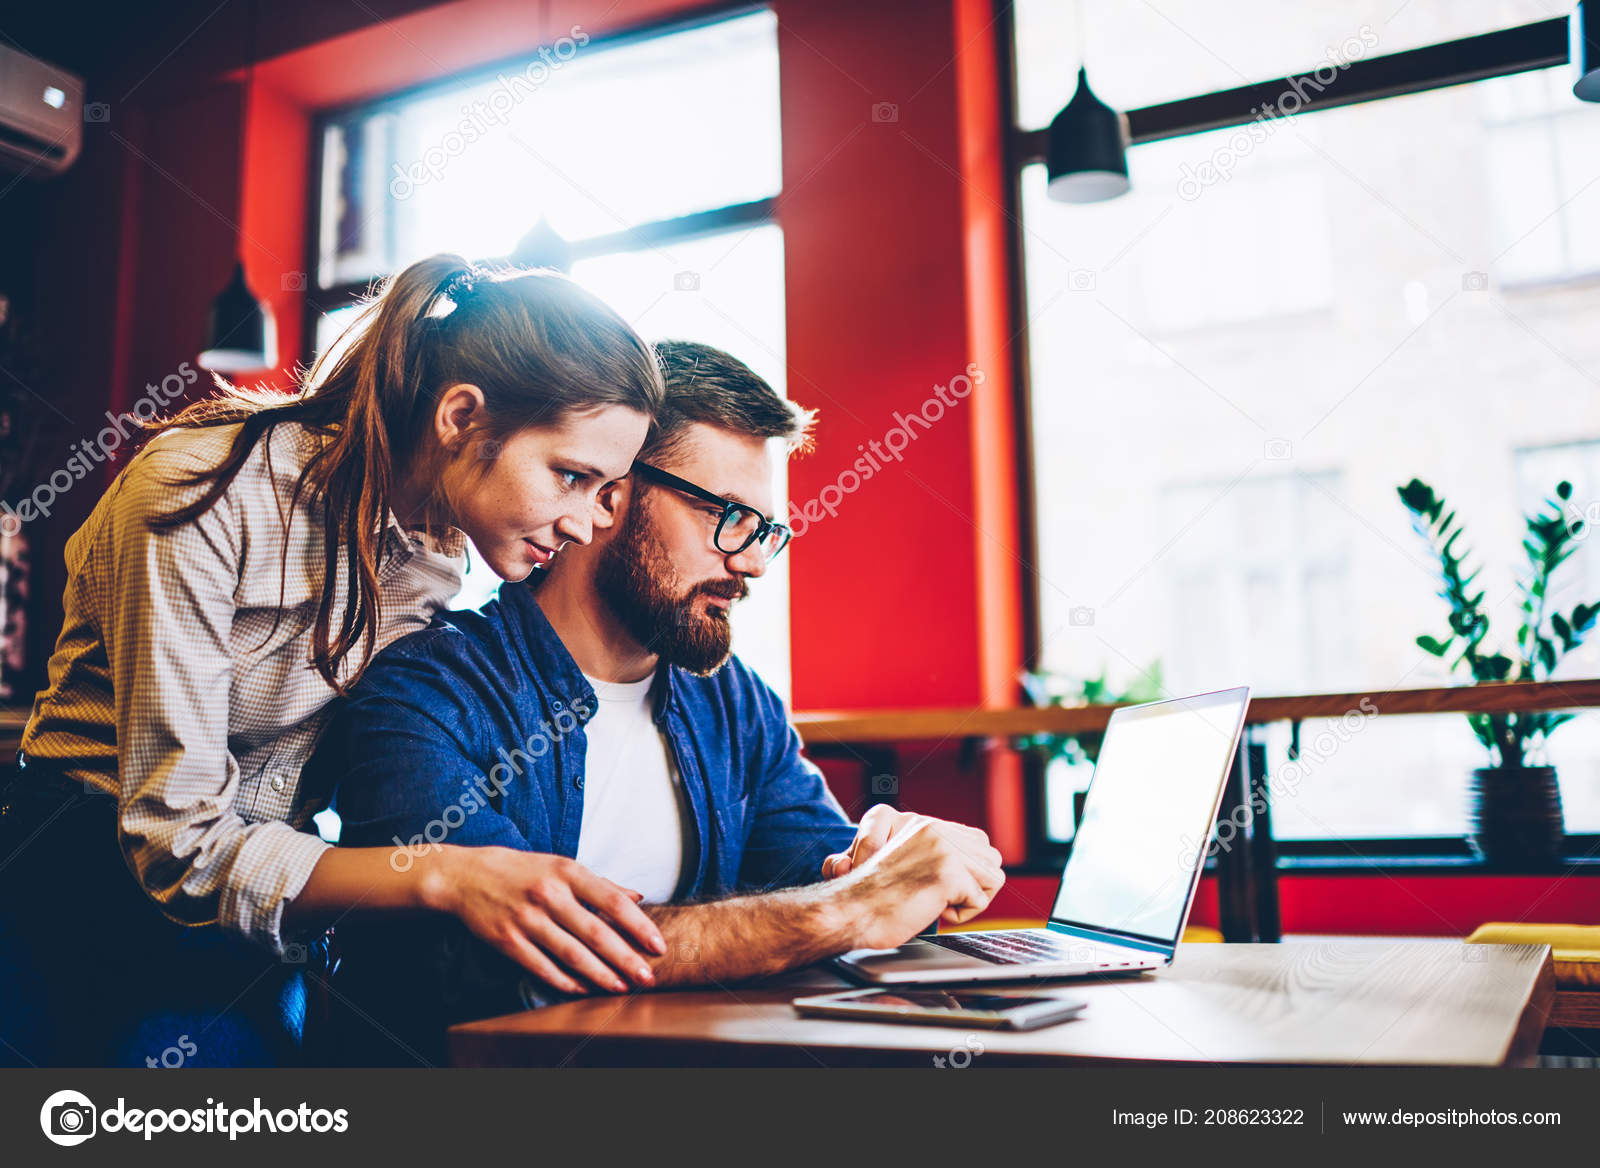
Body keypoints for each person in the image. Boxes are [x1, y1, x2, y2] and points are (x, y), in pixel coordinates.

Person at [0, 254, 672, 1067]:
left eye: (604, 491)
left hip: (259, 907)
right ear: (461, 416)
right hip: (83, 877)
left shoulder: (438, 557)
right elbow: (176, 842)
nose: (587, 523)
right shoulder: (197, 492)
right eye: (571, 476)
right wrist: (449, 875)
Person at [312, 339, 1004, 1064]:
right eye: (727, 516)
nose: (753, 563)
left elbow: (828, 880)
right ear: (608, 494)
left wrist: (898, 864)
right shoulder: (425, 690)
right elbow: (508, 960)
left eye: (766, 531)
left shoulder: (735, 704)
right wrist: (847, 910)